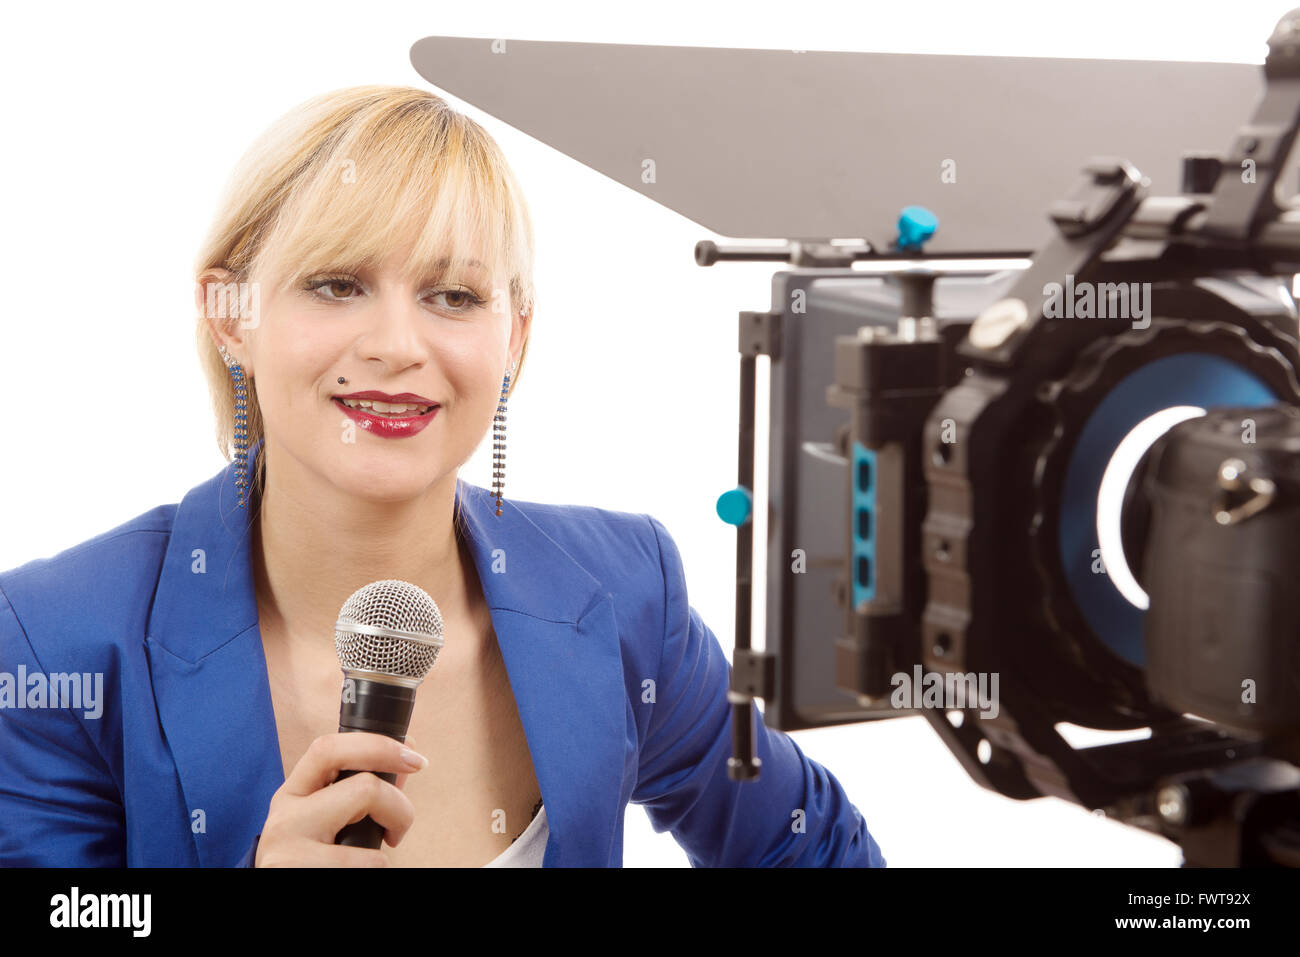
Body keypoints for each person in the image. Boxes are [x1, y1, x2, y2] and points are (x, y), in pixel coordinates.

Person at [0, 85, 886, 867]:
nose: (396, 345)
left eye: (453, 296)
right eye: (338, 283)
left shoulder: (624, 592)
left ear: (516, 339)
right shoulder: (52, 639)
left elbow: (811, 846)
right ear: (230, 315)